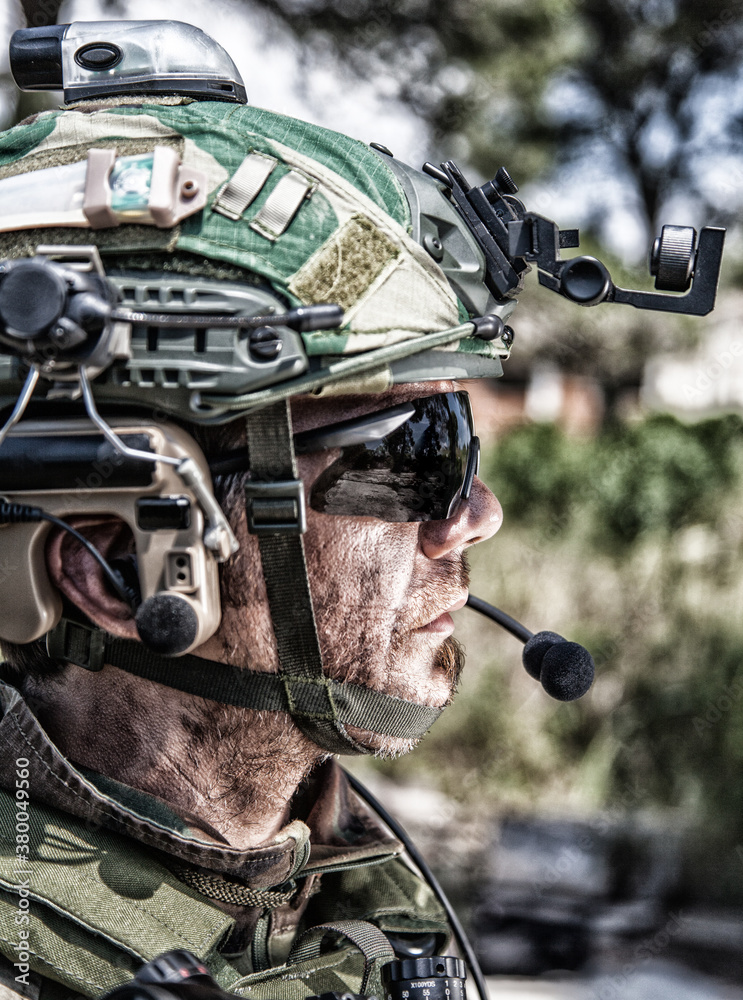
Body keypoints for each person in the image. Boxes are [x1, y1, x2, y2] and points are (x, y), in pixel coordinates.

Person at [0, 19, 509, 1000]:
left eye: (455, 438)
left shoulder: (327, 874)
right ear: (117, 566)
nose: (475, 514)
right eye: (409, 460)